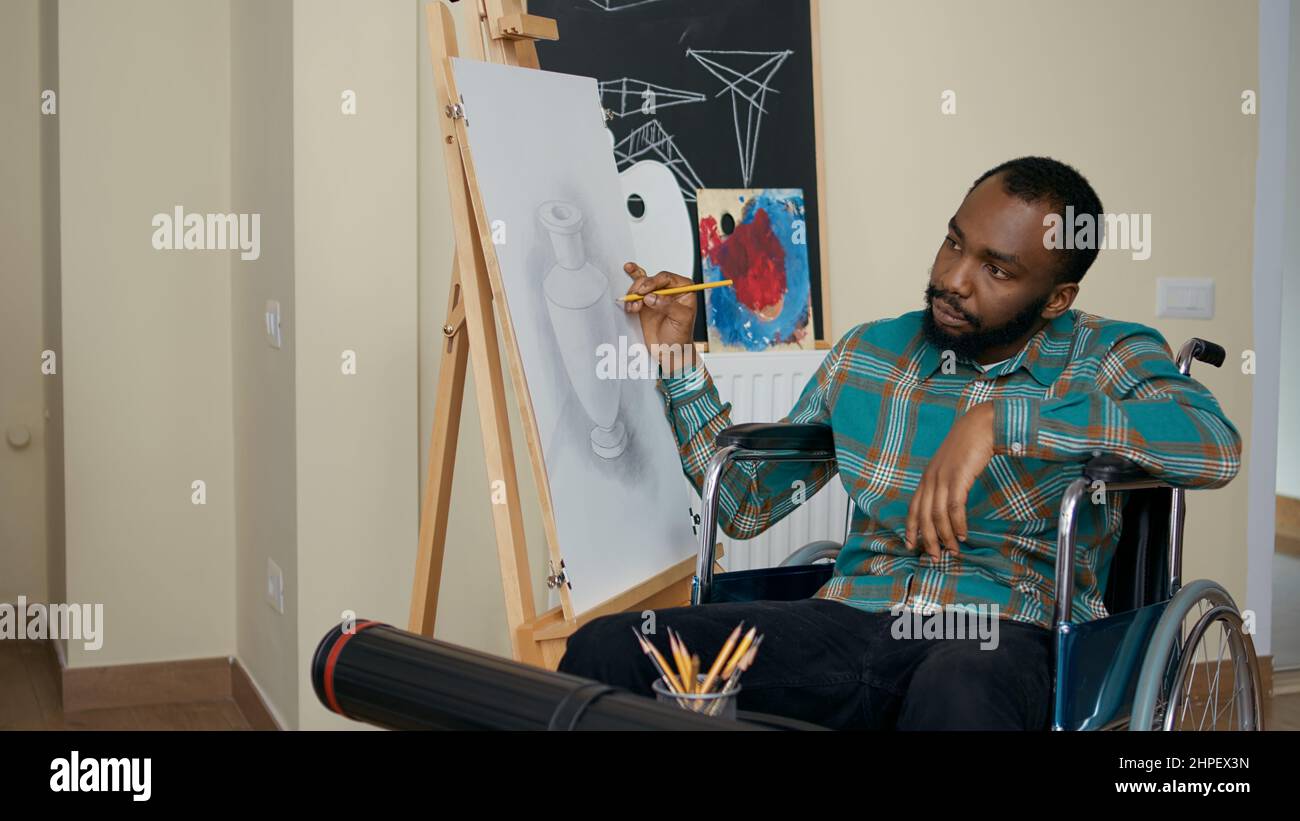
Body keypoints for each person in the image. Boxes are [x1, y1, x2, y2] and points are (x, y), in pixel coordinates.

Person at [558, 156, 1242, 730]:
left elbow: (1213, 444)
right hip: (849, 620)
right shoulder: (870, 354)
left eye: (997, 270)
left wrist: (1006, 420)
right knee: (611, 648)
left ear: (1057, 298)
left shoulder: (1108, 353)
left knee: (955, 691)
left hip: (1000, 631)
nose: (953, 278)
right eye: (954, 243)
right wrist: (678, 360)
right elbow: (739, 504)